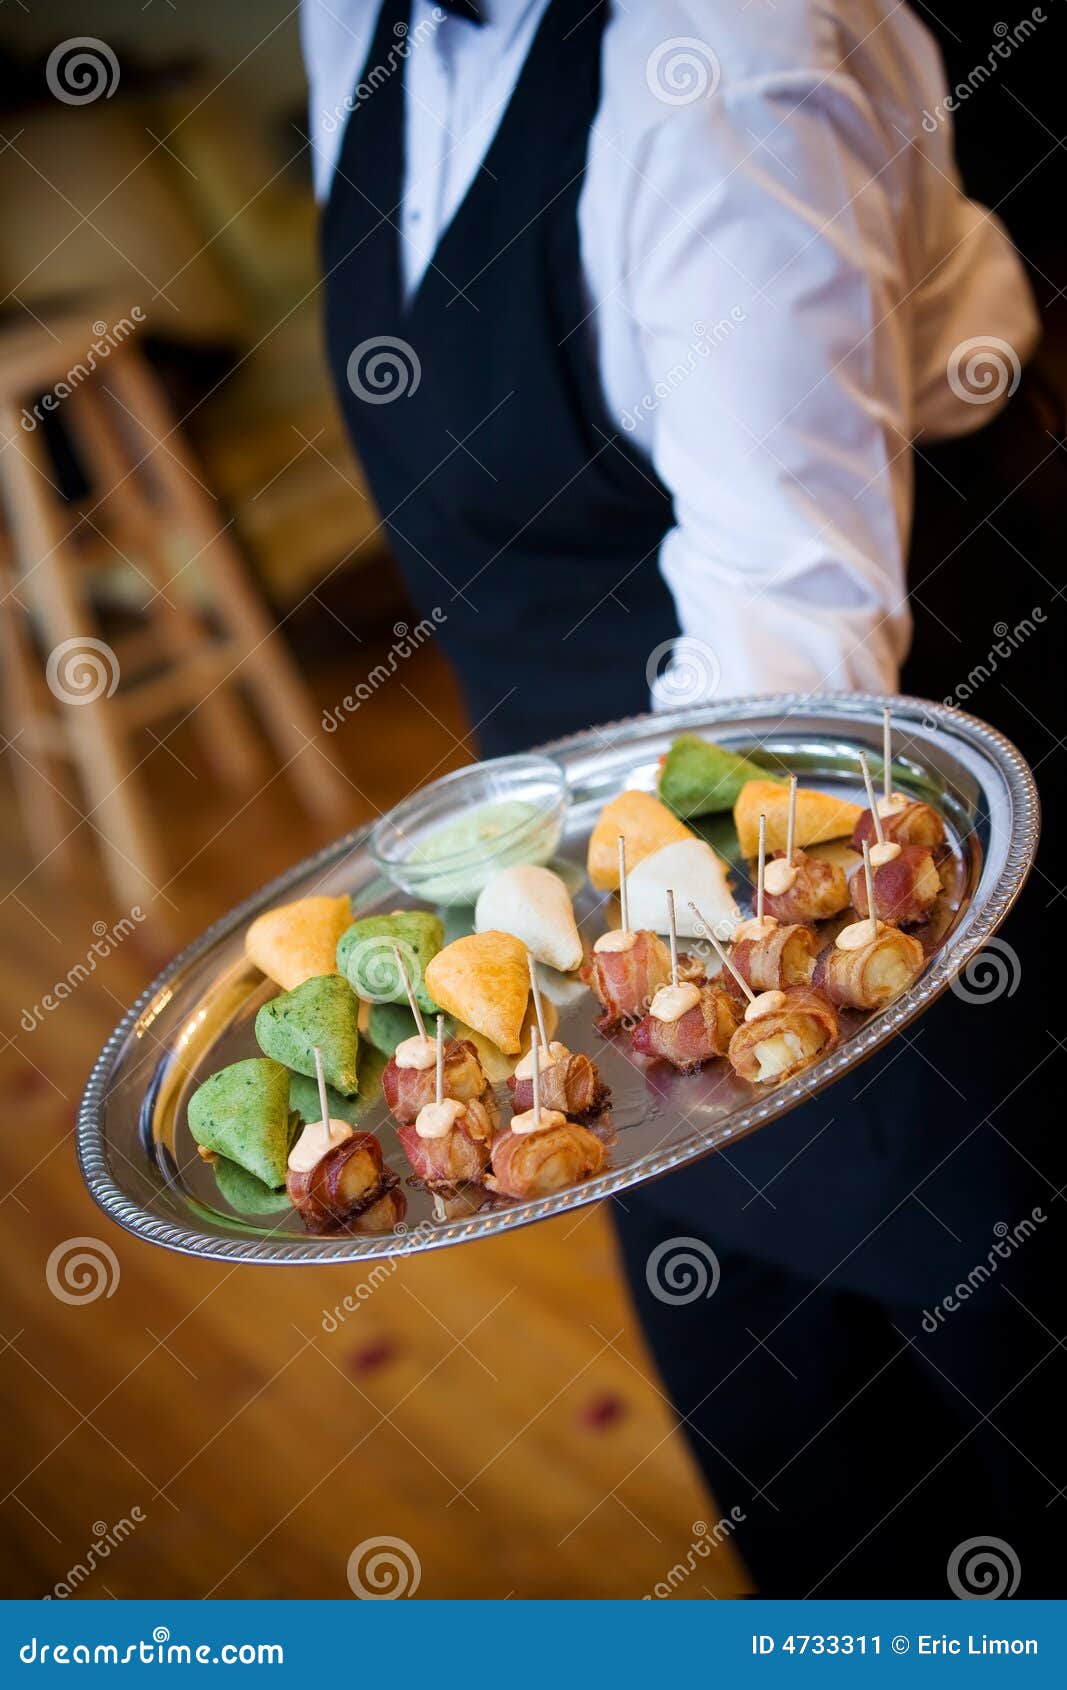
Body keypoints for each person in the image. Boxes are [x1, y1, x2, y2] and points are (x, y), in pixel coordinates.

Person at [304, 0, 1066, 1595]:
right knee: (814, 1514)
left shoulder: (724, 53)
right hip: (614, 922)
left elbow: (791, 684)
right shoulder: (350, 20)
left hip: (857, 853)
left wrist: (573, 1014)